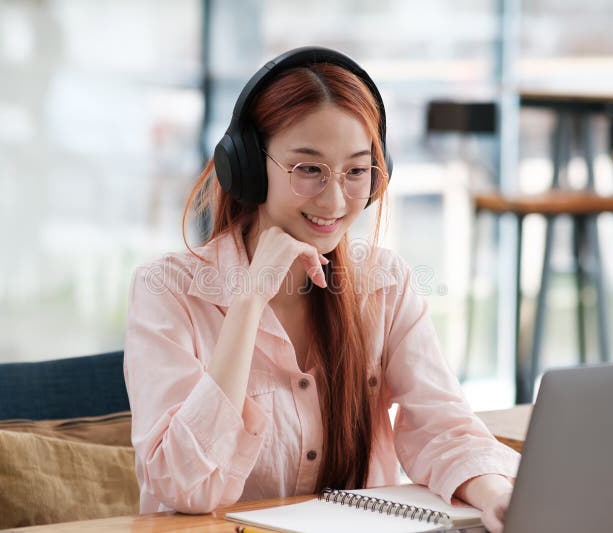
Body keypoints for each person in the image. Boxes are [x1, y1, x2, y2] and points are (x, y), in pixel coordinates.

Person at [124, 47, 520, 532]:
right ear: (246, 165)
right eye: (308, 169)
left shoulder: (386, 287)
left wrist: (498, 494)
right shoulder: (168, 291)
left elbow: (442, 427)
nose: (334, 201)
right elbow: (186, 488)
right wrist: (249, 301)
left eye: (356, 172)